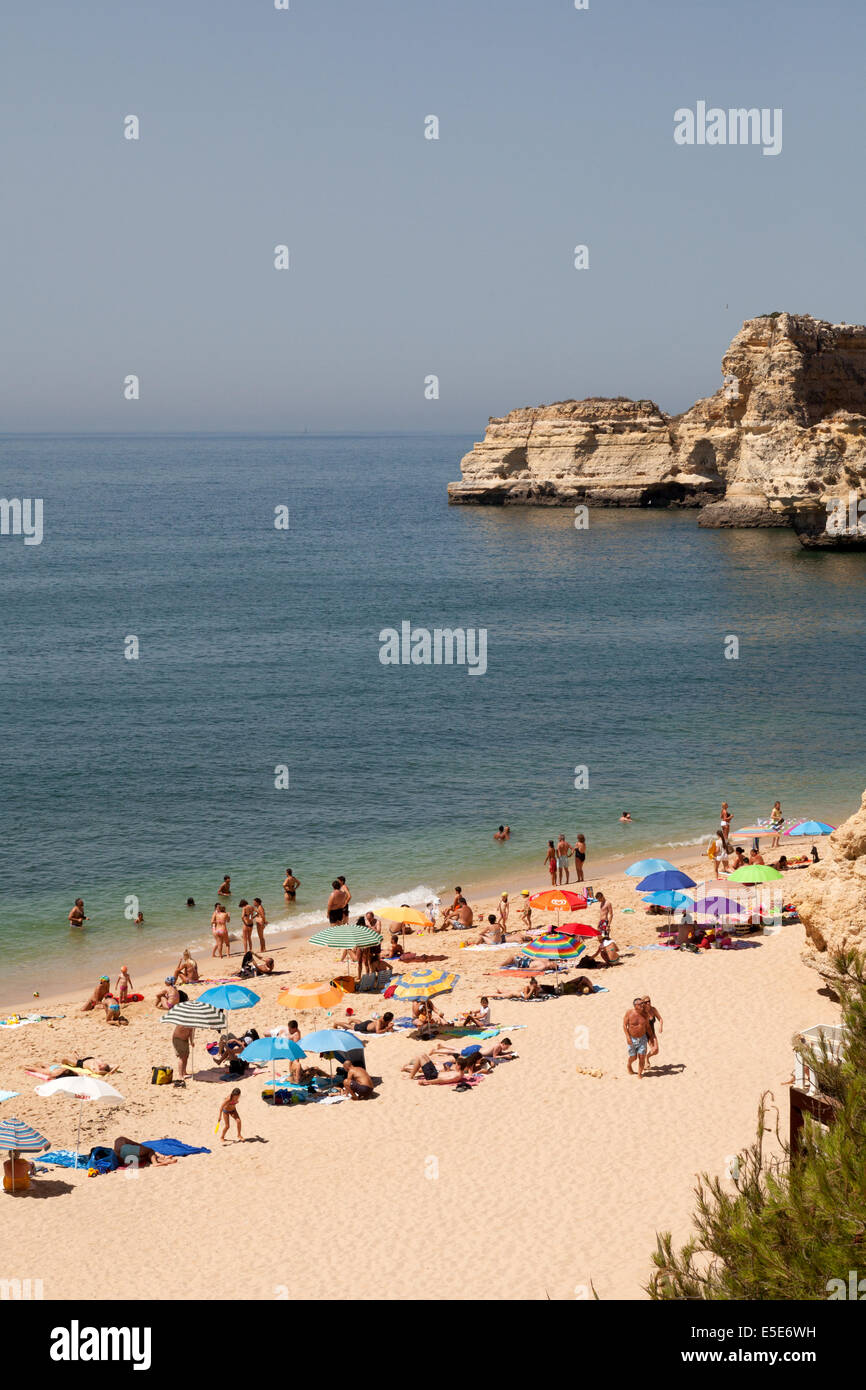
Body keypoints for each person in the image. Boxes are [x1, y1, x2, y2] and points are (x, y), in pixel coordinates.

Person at [113, 1137, 177, 1168]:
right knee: (149, 1150)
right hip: (123, 1151)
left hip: (120, 1158)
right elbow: (140, 1146)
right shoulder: (123, 1142)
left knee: (145, 1154)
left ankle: (162, 1159)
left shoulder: (120, 1141)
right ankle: (156, 1162)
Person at [623, 999, 648, 1076]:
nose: (642, 1005)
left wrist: (652, 1038)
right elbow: (624, 1025)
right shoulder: (629, 1013)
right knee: (633, 1057)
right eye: (640, 1004)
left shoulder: (645, 1014)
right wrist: (628, 1037)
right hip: (632, 1038)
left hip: (643, 1038)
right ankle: (629, 1065)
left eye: (642, 1003)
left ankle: (639, 1074)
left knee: (642, 1057)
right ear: (635, 1006)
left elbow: (647, 1026)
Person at [641, 996, 663, 1067]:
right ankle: (644, 1063)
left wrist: (660, 1026)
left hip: (652, 1033)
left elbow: (660, 1019)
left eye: (649, 1001)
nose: (648, 1003)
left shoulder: (653, 1010)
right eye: (646, 1002)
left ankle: (647, 1058)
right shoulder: (642, 1012)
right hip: (644, 1034)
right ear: (643, 1003)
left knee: (656, 1050)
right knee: (647, 1050)